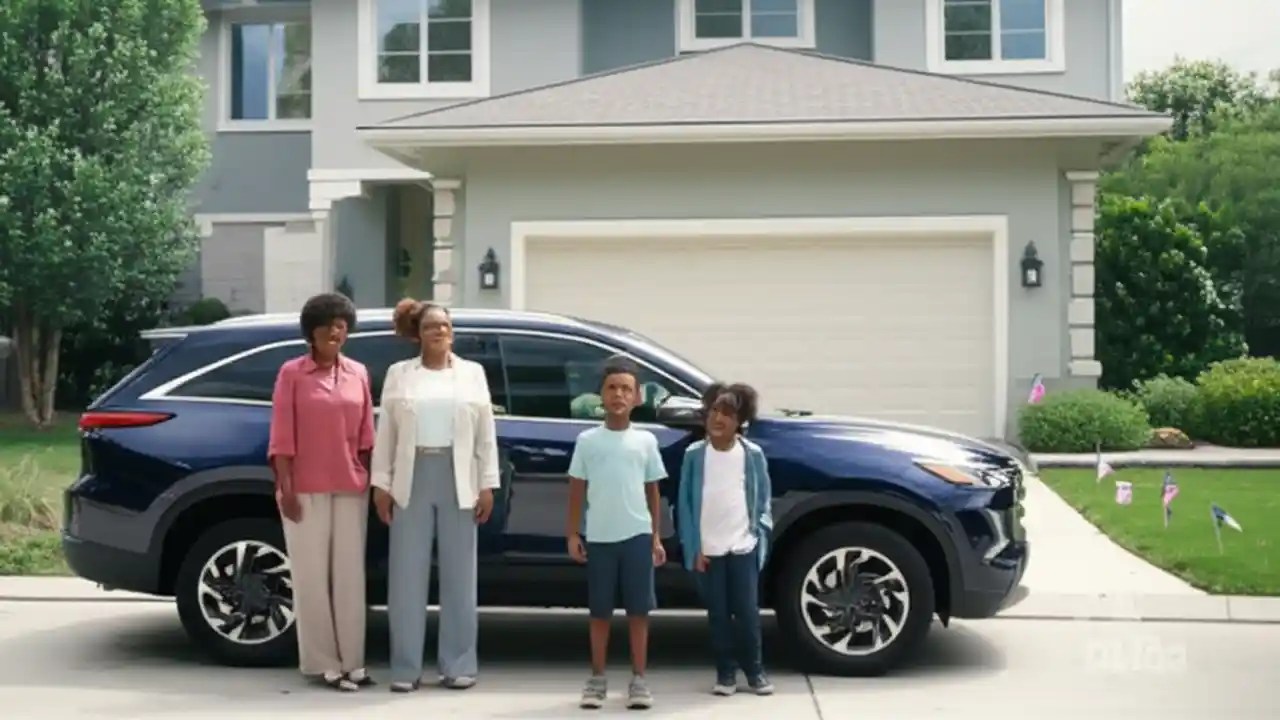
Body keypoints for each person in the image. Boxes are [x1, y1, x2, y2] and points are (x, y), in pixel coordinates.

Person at [370, 298, 501, 693]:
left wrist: (486, 483)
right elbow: (387, 433)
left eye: (445, 325)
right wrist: (382, 485)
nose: (439, 332)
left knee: (461, 577)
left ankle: (458, 663)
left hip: (458, 475)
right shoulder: (400, 375)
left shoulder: (472, 374)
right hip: (412, 474)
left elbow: (485, 433)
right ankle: (405, 668)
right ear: (419, 335)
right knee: (406, 576)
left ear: (452, 332)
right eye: (431, 327)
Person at [267, 292, 376, 692]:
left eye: (342, 324)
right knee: (311, 578)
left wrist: (367, 474)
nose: (336, 330)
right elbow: (281, 436)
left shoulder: (358, 373)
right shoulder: (291, 374)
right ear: (311, 332)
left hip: (350, 487)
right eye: (328, 323)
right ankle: (324, 663)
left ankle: (354, 662)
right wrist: (287, 488)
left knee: (350, 578)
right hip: (304, 489)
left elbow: (367, 433)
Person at [565, 355, 667, 710]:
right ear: (601, 395)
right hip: (600, 538)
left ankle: (639, 679)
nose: (618, 395)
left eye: (626, 389)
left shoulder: (646, 442)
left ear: (637, 397)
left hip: (637, 537)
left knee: (639, 611)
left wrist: (655, 536)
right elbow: (577, 488)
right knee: (600, 611)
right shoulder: (587, 441)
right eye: (612, 388)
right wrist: (573, 534)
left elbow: (652, 490)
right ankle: (597, 678)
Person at [676, 382, 774, 697]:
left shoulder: (752, 455)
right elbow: (686, 504)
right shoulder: (694, 455)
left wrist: (757, 534)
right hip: (709, 549)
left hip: (742, 545)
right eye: (714, 411)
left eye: (728, 414)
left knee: (746, 611)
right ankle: (725, 672)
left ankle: (755, 671)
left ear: (740, 421)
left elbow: (762, 500)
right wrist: (694, 547)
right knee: (717, 612)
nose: (718, 419)